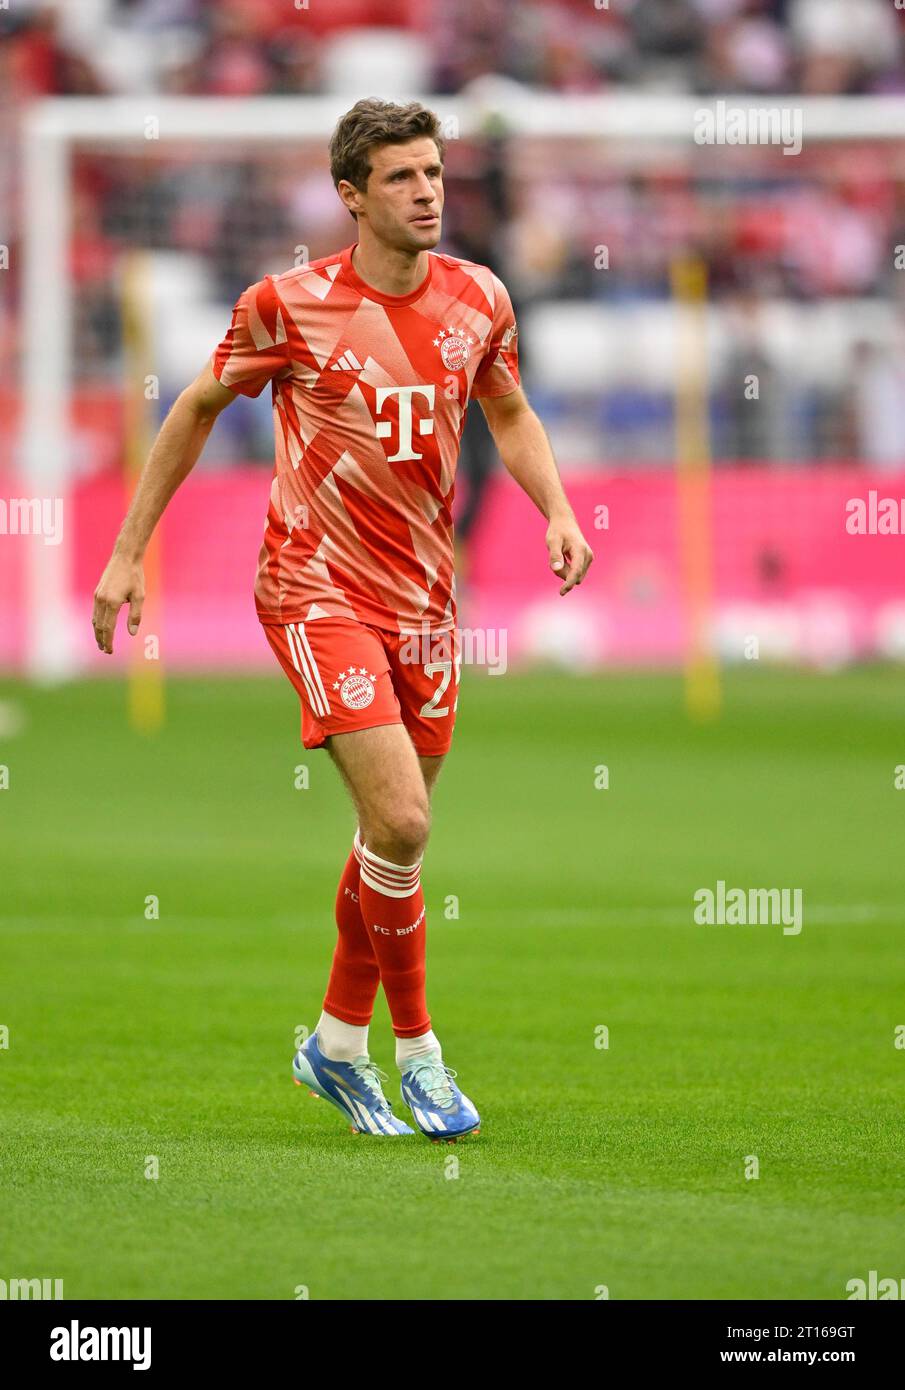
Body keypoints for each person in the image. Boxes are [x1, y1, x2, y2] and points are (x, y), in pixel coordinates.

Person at [92, 97, 594, 1142]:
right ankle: (420, 1055)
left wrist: (554, 507)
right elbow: (193, 406)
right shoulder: (288, 305)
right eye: (402, 177)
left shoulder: (479, 299)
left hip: (424, 602)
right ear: (350, 194)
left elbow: (505, 408)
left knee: (386, 839)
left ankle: (331, 1045)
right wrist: (128, 548)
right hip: (313, 588)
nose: (426, 192)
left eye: (433, 173)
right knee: (406, 820)